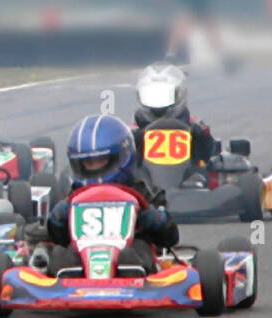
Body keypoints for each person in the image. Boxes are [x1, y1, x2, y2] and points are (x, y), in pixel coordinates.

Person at [45, 114, 178, 274]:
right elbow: (56, 237)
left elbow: (169, 237)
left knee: (134, 251)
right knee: (61, 254)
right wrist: (58, 216)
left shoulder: (142, 190)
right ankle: (65, 285)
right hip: (82, 259)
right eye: (88, 163)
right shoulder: (74, 195)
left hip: (132, 252)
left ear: (122, 156)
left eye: (101, 160)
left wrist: (148, 215)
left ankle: (132, 277)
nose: (95, 166)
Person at [130, 62, 217, 166]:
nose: (158, 102)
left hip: (188, 177)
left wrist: (201, 136)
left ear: (179, 95)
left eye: (163, 95)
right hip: (142, 179)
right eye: (152, 95)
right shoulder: (131, 131)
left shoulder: (194, 126)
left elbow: (209, 155)